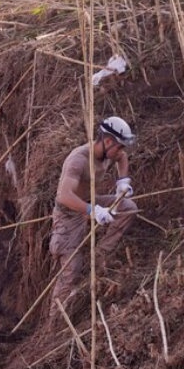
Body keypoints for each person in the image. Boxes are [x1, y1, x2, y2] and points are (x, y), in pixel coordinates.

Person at [49, 116, 138, 309]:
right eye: (119, 147)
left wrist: (123, 181)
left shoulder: (110, 154)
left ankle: (99, 257)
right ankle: (55, 319)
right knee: (71, 269)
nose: (121, 152)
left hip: (90, 200)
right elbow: (64, 196)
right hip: (69, 213)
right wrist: (93, 211)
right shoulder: (78, 160)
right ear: (107, 141)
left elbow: (121, 158)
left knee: (128, 208)